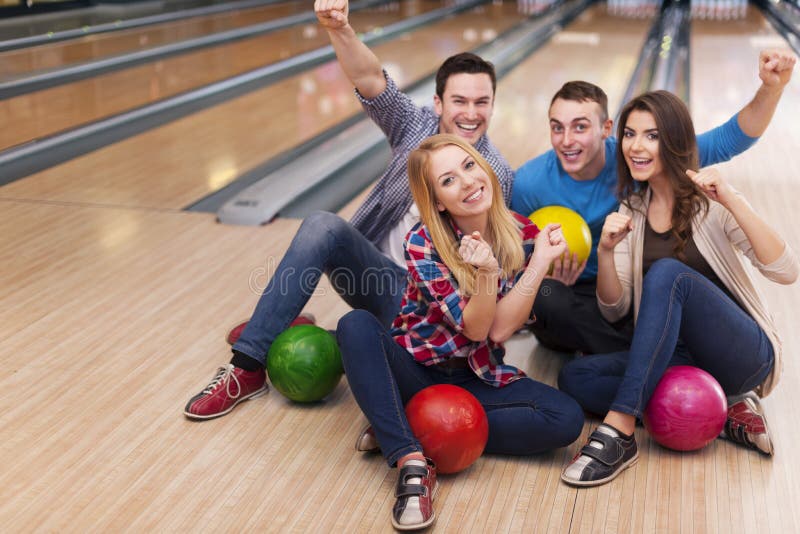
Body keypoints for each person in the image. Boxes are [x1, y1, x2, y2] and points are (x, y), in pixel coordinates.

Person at [183, 0, 514, 419]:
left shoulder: (496, 175)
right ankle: (246, 368)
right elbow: (369, 76)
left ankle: (283, 326)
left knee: (357, 337)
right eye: (460, 101)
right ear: (437, 103)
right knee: (322, 225)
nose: (470, 113)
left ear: (493, 104)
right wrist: (338, 27)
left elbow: (496, 270)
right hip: (373, 275)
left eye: (481, 102)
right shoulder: (414, 128)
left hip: (425, 309)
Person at [337, 134, 584, 529]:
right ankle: (411, 461)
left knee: (565, 418)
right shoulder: (423, 242)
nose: (467, 182)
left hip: (477, 376)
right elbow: (474, 328)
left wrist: (539, 263)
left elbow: (500, 330)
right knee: (355, 326)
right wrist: (486, 274)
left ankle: (402, 424)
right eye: (448, 180)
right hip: (417, 373)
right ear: (438, 201)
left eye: (469, 166)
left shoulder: (520, 232)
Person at [557, 91, 798, 487]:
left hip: (742, 355)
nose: (635, 145)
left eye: (650, 135)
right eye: (630, 134)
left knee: (669, 274)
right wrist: (604, 251)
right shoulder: (630, 211)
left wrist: (734, 201)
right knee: (576, 378)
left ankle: (620, 430)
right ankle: (726, 414)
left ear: (673, 140)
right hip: (677, 359)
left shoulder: (711, 203)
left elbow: (787, 271)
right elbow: (615, 310)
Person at [511, 50, 796, 355]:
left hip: (632, 290)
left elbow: (731, 139)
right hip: (574, 295)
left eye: (580, 127)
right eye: (557, 127)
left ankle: (633, 358)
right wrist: (538, 270)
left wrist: (772, 88)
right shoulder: (529, 182)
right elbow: (510, 253)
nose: (566, 140)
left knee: (656, 291)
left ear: (606, 129)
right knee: (546, 296)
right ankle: (649, 357)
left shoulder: (639, 156)